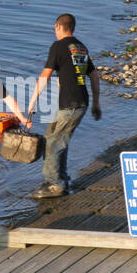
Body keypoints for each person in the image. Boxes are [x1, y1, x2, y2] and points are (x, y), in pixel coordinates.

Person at [25, 14, 101, 198]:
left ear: (58, 26)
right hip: (80, 102)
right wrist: (96, 103)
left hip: (71, 104)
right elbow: (94, 76)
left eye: (54, 28)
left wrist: (32, 101)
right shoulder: (80, 47)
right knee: (54, 136)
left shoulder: (58, 46)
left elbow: (45, 76)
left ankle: (55, 185)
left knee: (54, 142)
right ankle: (60, 178)